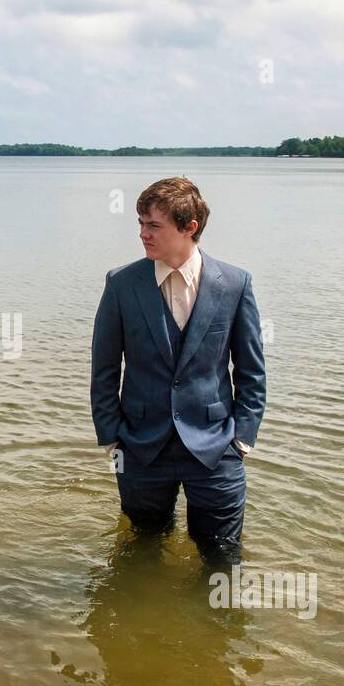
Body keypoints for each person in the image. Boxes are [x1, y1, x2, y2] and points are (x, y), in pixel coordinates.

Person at [90, 176, 266, 566]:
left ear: (190, 227)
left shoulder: (235, 284)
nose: (142, 234)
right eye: (140, 223)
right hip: (139, 447)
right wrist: (112, 439)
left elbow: (251, 371)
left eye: (153, 225)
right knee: (141, 549)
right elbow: (103, 368)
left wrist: (242, 440)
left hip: (218, 448)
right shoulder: (121, 284)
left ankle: (215, 624)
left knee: (221, 555)